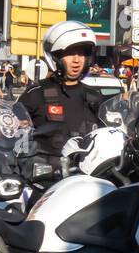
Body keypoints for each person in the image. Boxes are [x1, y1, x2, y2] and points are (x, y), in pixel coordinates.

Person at [18, 20, 105, 160]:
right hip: (44, 178)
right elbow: (12, 136)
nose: (77, 60)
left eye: (81, 53)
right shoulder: (36, 94)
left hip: (86, 177)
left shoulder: (94, 98)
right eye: (70, 53)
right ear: (55, 57)